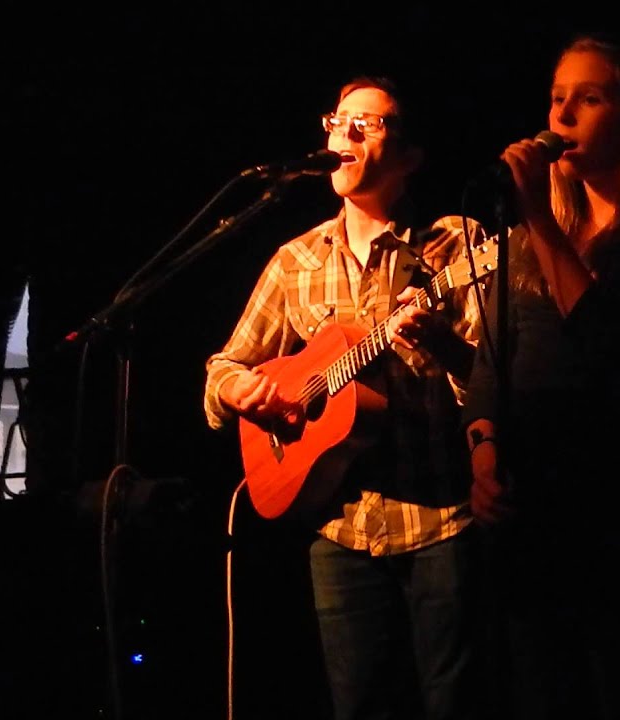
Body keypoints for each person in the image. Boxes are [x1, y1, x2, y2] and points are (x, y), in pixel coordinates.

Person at [203, 75, 488, 720]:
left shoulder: (459, 246)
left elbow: (497, 388)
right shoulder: (295, 261)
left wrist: (442, 344)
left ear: (411, 157)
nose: (346, 132)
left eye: (370, 122)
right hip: (339, 529)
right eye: (338, 120)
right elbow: (225, 365)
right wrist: (242, 389)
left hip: (442, 521)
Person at [463, 34, 620, 719]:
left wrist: (540, 219)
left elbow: (617, 354)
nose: (563, 115)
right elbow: (492, 359)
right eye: (556, 98)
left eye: (589, 97)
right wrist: (483, 453)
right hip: (531, 526)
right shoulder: (522, 243)